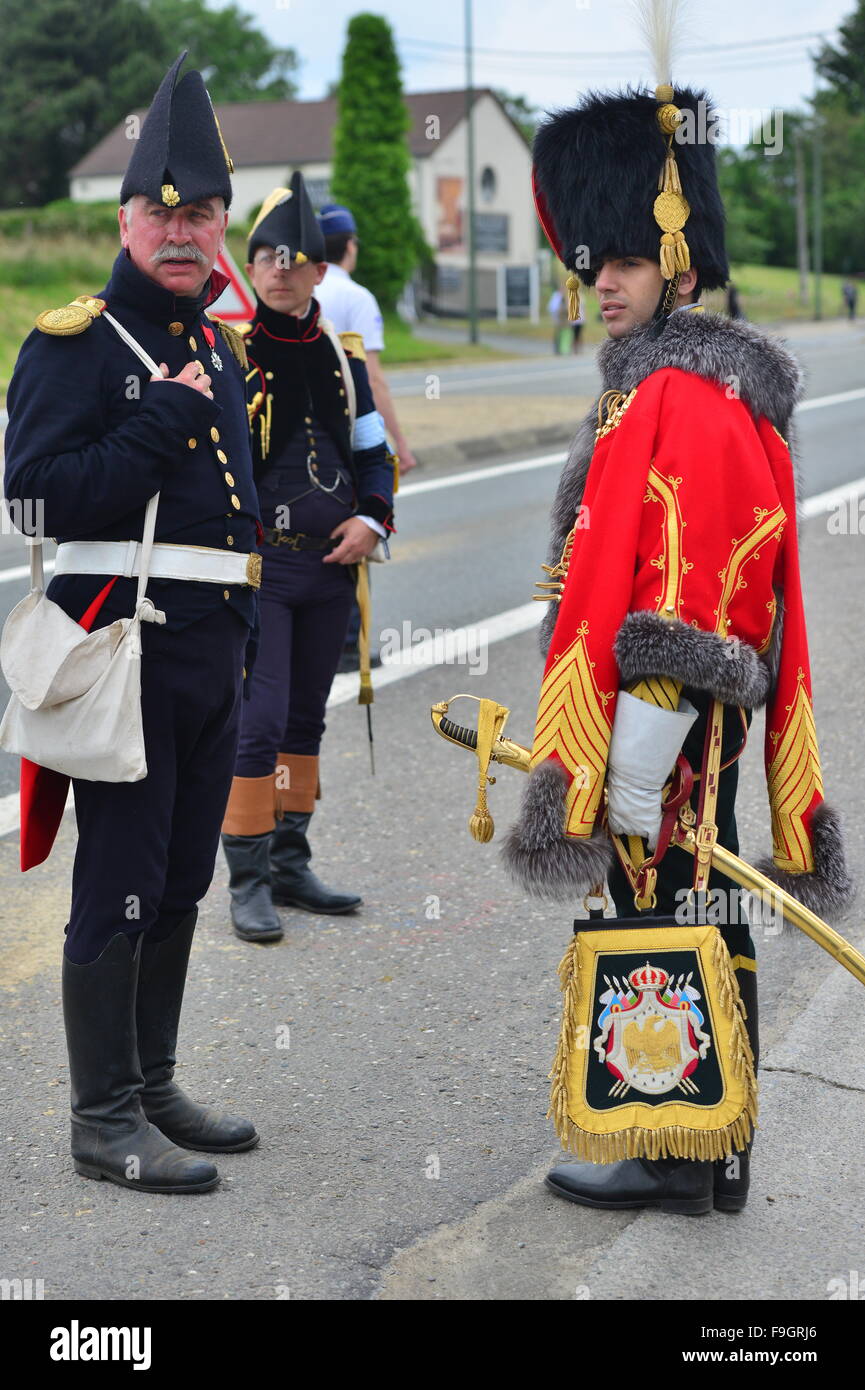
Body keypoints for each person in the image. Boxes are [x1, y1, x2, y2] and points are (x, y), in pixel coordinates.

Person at [507, 57, 853, 1214]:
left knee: (667, 907)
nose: (598, 279)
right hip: (669, 724)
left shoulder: (685, 395)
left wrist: (640, 750)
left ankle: (676, 1153)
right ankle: (712, 1143)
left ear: (677, 256)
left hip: (667, 726)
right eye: (589, 261)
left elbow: (702, 593)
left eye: (621, 258)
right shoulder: (673, 380)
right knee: (691, 905)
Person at [3, 53, 263, 1193]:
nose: (180, 228)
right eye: (161, 209)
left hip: (212, 657)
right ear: (124, 216)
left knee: (180, 882)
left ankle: (152, 1083)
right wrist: (153, 427)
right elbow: (29, 495)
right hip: (127, 651)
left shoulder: (218, 342)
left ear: (220, 226)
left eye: (201, 211)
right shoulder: (76, 342)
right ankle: (101, 1116)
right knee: (118, 878)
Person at [219, 173, 395, 945]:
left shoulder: (343, 363)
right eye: (267, 258)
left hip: (332, 570)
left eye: (296, 260)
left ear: (322, 271)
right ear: (252, 268)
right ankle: (247, 878)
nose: (281, 270)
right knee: (255, 728)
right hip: (262, 571)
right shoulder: (230, 356)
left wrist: (371, 519)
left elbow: (374, 457)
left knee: (302, 725)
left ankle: (291, 862)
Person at [316, 202, 416, 476]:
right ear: (350, 246)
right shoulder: (357, 298)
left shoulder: (300, 289)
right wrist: (401, 444)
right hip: (350, 430)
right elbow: (373, 379)